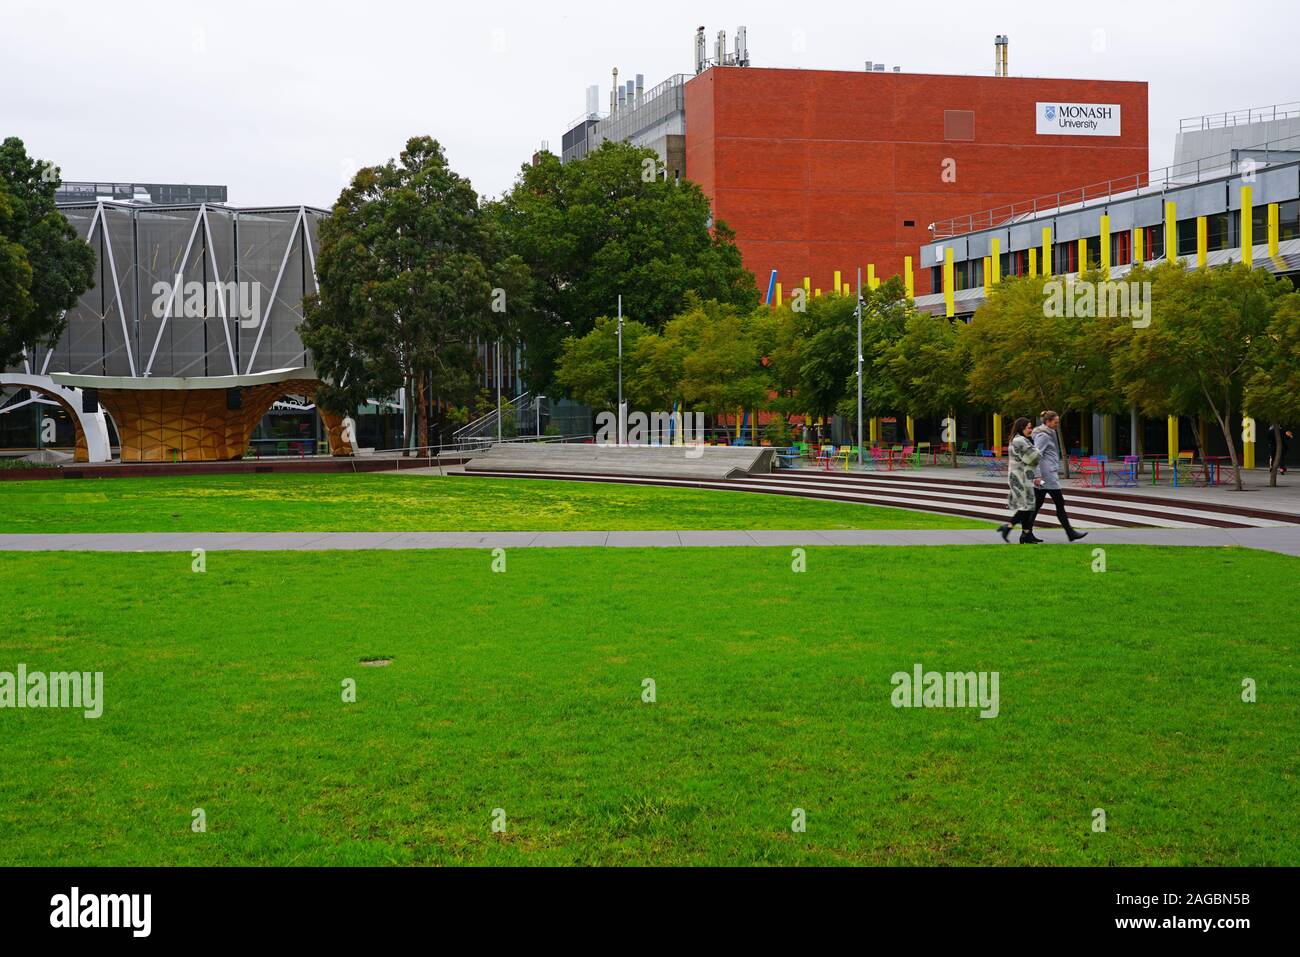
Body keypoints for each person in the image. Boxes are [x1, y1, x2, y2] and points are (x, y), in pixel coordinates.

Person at [1030, 411, 1088, 542]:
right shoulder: (1043, 436)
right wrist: (1037, 476)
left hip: (1046, 475)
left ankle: (1027, 533)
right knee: (1059, 502)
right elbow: (1035, 456)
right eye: (1055, 422)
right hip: (1046, 477)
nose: (1057, 425)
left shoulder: (1049, 434)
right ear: (1048, 421)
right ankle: (1070, 532)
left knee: (1037, 504)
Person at [998, 417, 1043, 544]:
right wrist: (1039, 450)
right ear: (1021, 428)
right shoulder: (1020, 441)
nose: (1031, 430)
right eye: (1029, 427)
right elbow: (1034, 458)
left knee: (1027, 507)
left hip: (1022, 477)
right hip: (1020, 478)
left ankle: (1026, 535)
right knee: (1027, 507)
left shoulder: (1019, 440)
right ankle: (1008, 527)